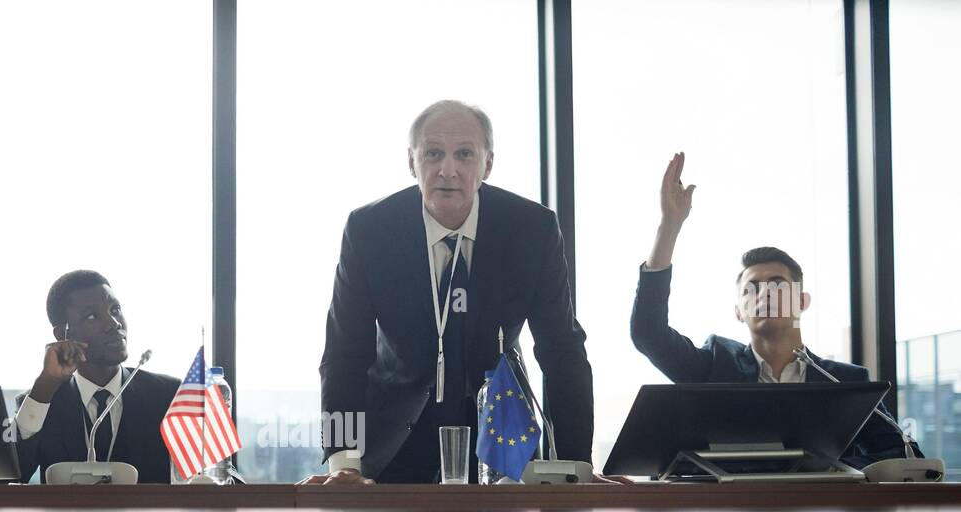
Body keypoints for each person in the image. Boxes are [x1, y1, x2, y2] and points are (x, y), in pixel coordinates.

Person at [311, 100, 594, 484]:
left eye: (464, 154)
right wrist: (344, 464)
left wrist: (575, 469)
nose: (448, 170)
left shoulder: (533, 230)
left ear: (487, 164)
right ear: (412, 163)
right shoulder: (369, 230)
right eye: (433, 154)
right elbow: (345, 356)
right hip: (392, 441)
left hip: (499, 441)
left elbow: (563, 352)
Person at [631, 152, 921, 468]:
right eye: (752, 288)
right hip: (729, 511)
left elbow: (899, 452)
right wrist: (669, 227)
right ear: (739, 311)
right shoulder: (714, 365)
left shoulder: (845, 383)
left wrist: (826, 473)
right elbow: (649, 334)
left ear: (802, 301)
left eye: (777, 284)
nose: (765, 293)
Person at [13, 270, 180, 483]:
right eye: (92, 316)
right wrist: (45, 384)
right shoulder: (41, 401)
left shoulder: (170, 396)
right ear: (63, 334)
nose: (114, 323)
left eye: (115, 309)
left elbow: (215, 479)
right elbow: (0, 484)